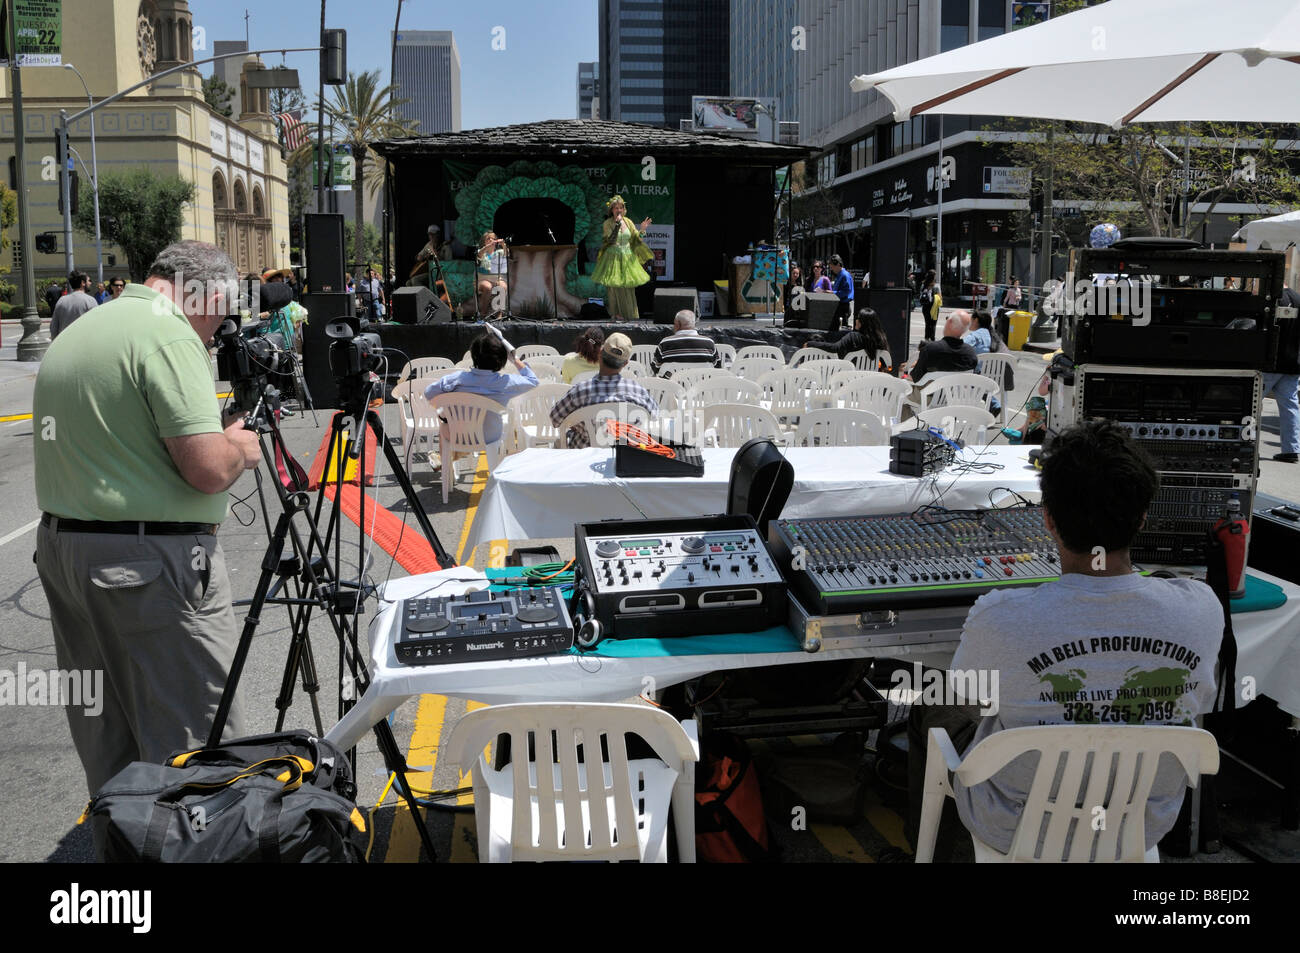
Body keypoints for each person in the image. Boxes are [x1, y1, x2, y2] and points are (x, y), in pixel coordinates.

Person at [904, 420, 1223, 860]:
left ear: (1048, 520)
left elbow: (970, 698)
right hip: (1138, 826)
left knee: (932, 704)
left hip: (1015, 828)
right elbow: (1201, 700)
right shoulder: (1203, 609)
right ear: (1143, 516)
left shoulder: (999, 616)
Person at [33, 241, 261, 794]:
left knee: (109, 737)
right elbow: (208, 470)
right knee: (196, 740)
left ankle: (130, 847)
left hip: (67, 552)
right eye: (221, 314)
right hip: (148, 564)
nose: (216, 332)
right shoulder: (167, 331)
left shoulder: (87, 329)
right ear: (204, 293)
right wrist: (241, 445)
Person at [423, 332, 538, 446]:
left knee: (444, 426)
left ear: (473, 356)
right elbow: (533, 380)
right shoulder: (506, 382)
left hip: (458, 435)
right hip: (489, 437)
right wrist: (515, 360)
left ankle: (445, 463)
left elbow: (428, 393)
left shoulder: (455, 379)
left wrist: (447, 408)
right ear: (502, 359)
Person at [550, 332, 659, 448]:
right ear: (625, 363)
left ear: (600, 354)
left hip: (583, 458)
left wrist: (576, 423)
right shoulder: (638, 391)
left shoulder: (579, 391)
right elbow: (654, 416)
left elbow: (555, 419)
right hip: (625, 456)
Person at [592, 195, 653, 320]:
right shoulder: (607, 223)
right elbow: (610, 240)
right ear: (611, 210)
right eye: (615, 208)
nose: (618, 210)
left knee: (627, 288)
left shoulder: (628, 221)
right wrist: (617, 225)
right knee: (614, 288)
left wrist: (642, 229)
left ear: (623, 209)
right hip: (612, 258)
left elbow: (637, 239)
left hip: (626, 258)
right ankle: (616, 315)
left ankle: (629, 316)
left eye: (621, 207)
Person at [1266, 286, 1300, 463]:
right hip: (1293, 363)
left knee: (1250, 404)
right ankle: (1291, 450)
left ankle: (1243, 444)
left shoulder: (1272, 299)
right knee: (1290, 406)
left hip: (1270, 364)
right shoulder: (1298, 298)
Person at [803, 306, 889, 366]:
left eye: (858, 318)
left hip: (851, 381)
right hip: (873, 384)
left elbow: (834, 348)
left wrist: (811, 344)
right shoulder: (881, 339)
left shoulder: (853, 337)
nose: (856, 320)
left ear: (863, 322)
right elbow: (885, 364)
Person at [909, 312, 978, 384]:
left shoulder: (930, 349)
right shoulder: (971, 353)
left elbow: (915, 377)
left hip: (929, 394)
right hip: (959, 394)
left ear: (949, 322)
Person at [651, 309, 722, 374]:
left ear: (678, 324)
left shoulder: (665, 343)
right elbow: (717, 368)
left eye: (674, 323)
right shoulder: (709, 343)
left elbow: (655, 368)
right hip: (701, 386)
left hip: (673, 386)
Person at [49, 271, 98, 339]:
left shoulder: (61, 300)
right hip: (83, 344)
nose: (90, 283)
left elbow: (53, 327)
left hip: (64, 344)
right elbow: (96, 326)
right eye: (89, 280)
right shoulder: (90, 300)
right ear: (83, 283)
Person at [476, 231, 509, 317]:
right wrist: (487, 247)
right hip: (482, 279)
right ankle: (483, 313)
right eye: (488, 239)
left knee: (503, 286)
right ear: (484, 241)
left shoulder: (499, 252)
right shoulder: (481, 251)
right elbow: (479, 255)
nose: (491, 240)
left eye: (493, 239)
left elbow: (507, 254)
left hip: (496, 279)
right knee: (488, 286)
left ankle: (499, 314)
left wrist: (503, 245)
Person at [827, 254, 854, 329]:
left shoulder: (845, 275)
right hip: (838, 305)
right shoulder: (839, 275)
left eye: (833, 267)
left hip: (843, 306)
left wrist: (832, 293)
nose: (832, 270)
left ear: (838, 264)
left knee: (841, 329)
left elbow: (846, 292)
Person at [918, 271, 941, 341]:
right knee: (933, 324)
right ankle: (932, 339)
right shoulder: (936, 285)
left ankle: (926, 338)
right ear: (934, 276)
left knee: (927, 323)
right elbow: (940, 296)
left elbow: (921, 294)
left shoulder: (923, 285)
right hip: (934, 307)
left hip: (925, 307)